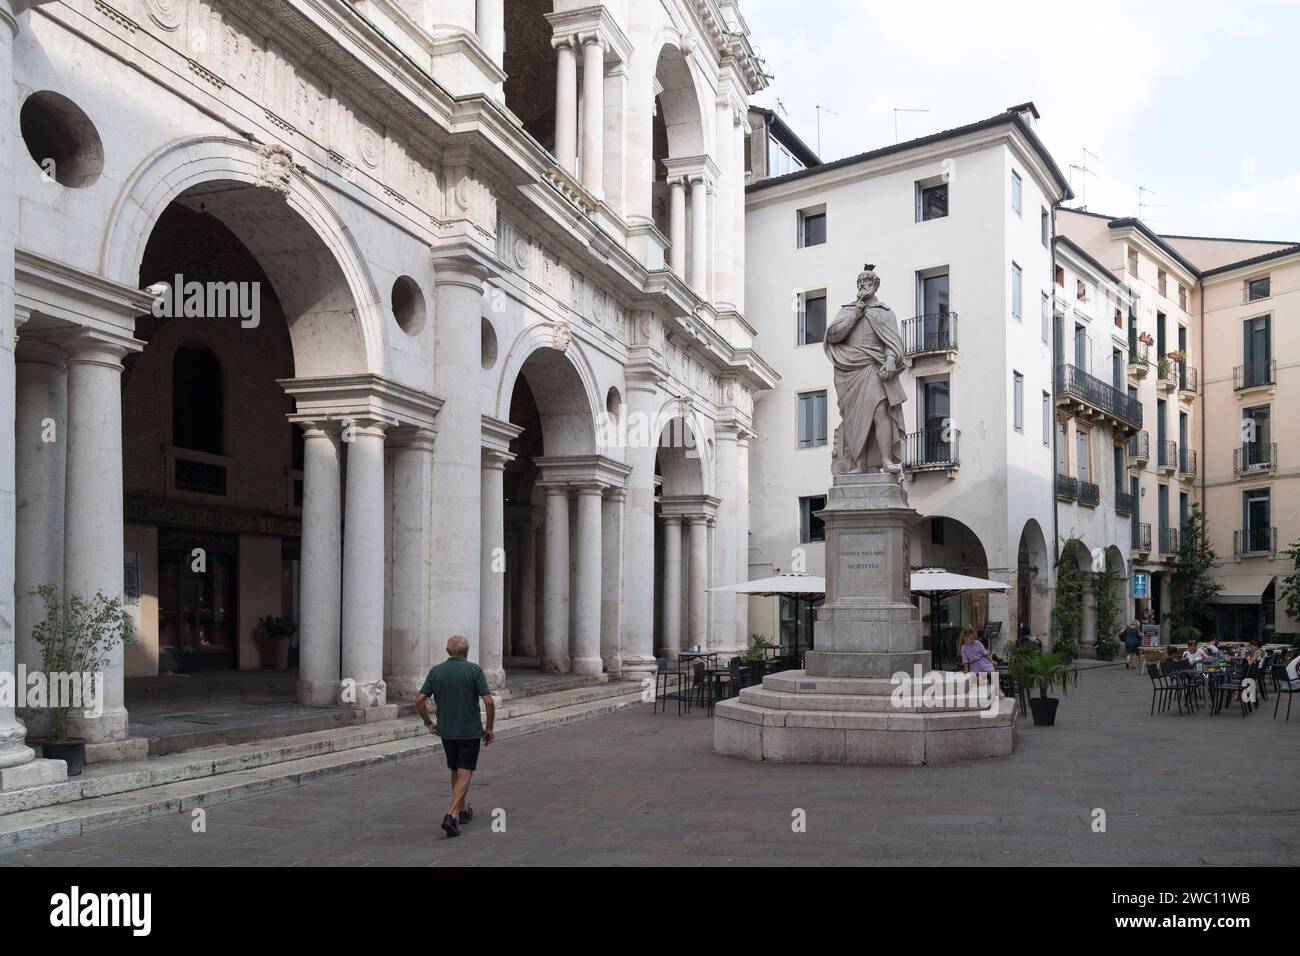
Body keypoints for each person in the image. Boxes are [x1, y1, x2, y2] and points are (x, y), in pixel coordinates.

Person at [415, 635, 495, 838]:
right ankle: (450, 815)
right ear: (467, 652)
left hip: (447, 731)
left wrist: (428, 722)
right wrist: (490, 727)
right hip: (469, 730)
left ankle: (463, 811)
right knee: (465, 772)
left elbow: (419, 699)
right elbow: (489, 701)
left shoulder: (437, 671)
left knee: (455, 770)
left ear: (448, 651)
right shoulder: (474, 670)